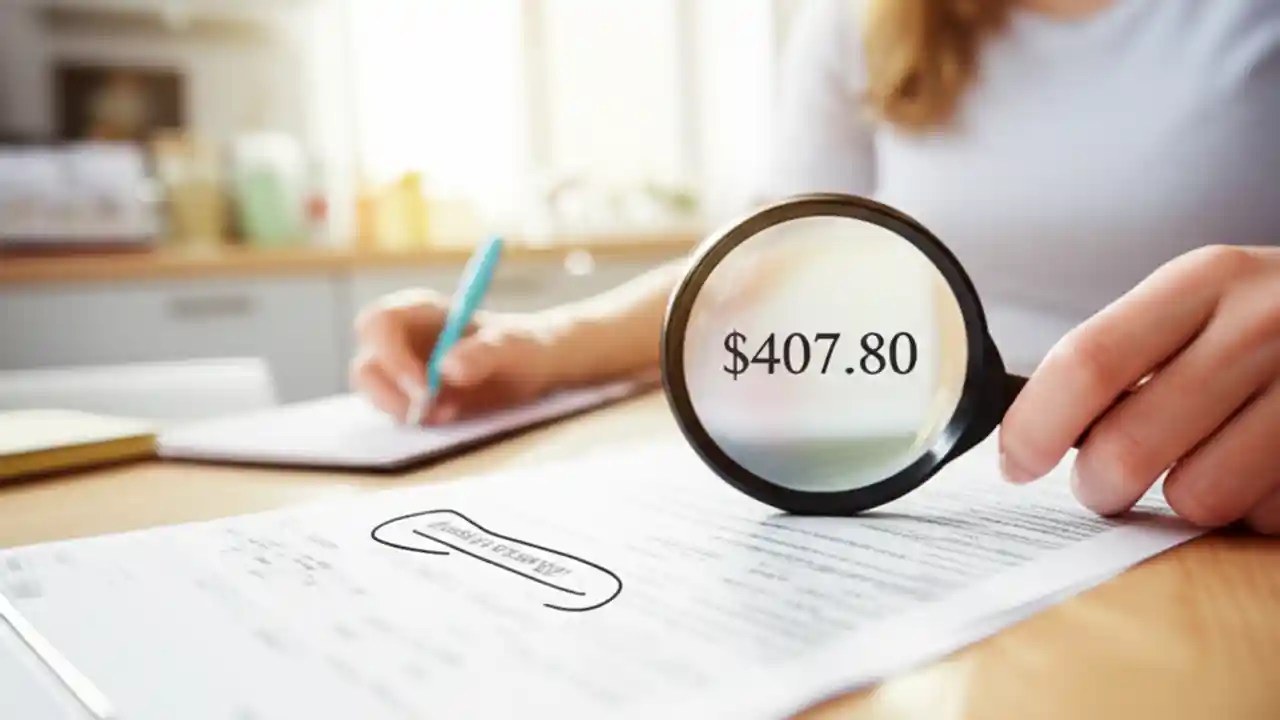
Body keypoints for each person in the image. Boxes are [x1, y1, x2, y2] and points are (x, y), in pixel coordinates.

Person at [351, 0, 1280, 533]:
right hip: (947, 521)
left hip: (1221, 508)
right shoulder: (869, 19)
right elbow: (758, 265)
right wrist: (535, 344)